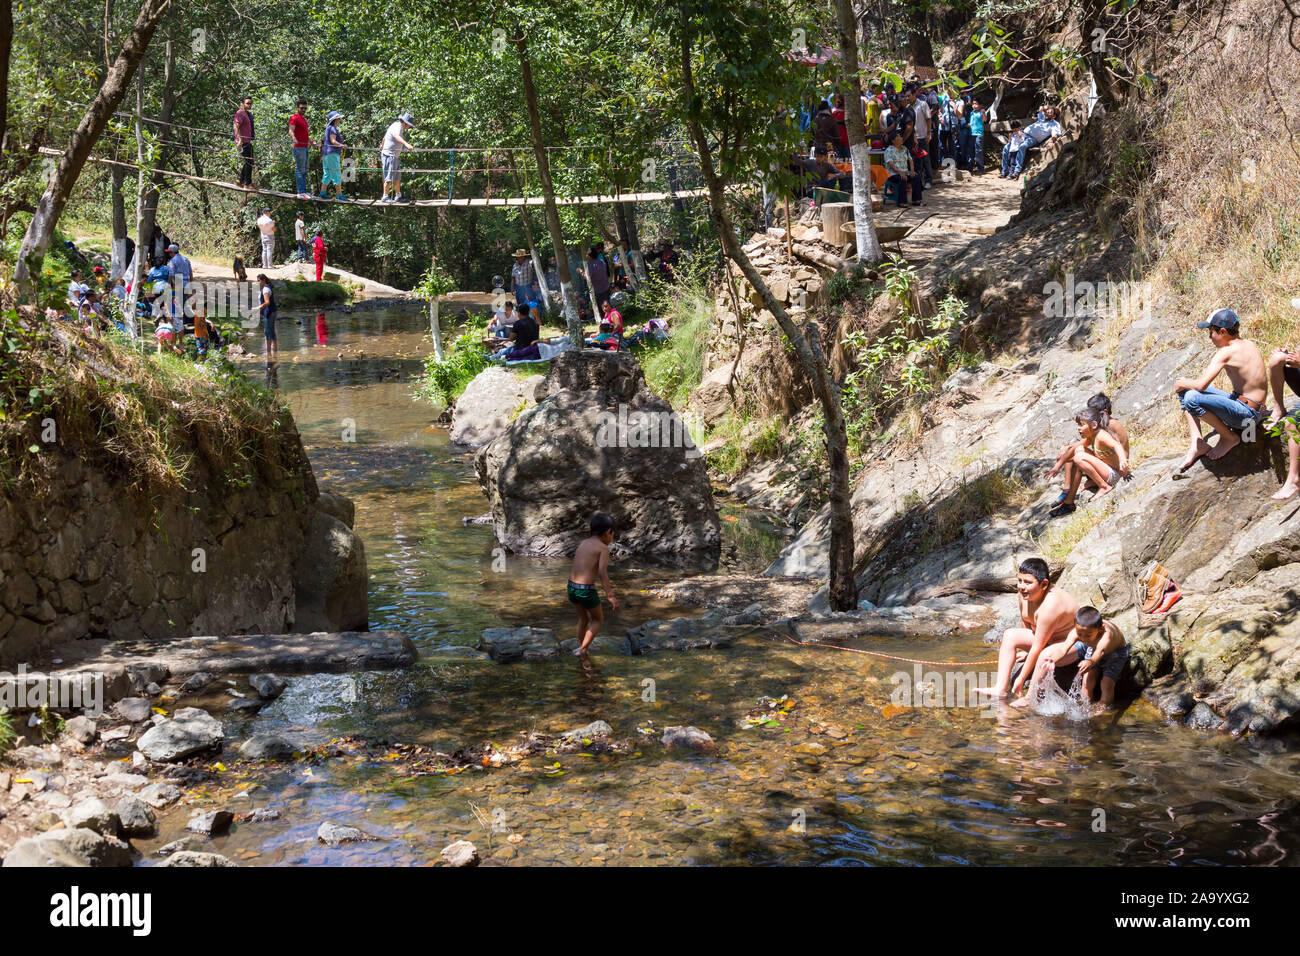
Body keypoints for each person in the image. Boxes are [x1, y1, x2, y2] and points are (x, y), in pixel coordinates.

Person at [974, 557, 1080, 699]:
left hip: (1070, 645)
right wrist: (1026, 651)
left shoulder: (1051, 605)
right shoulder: (1024, 594)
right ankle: (1000, 688)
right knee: (1010, 635)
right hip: (1047, 640)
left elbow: (1037, 647)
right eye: (1020, 580)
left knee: (1043, 655)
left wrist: (1021, 678)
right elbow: (1026, 622)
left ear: (1044, 584)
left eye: (1028, 582)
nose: (1021, 586)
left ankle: (1030, 698)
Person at [1175, 308, 1268, 470]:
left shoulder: (1226, 352)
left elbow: (1201, 385)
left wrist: (1181, 383)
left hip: (1247, 417)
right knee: (1187, 391)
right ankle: (1198, 443)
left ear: (1223, 331)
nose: (1210, 337)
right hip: (1251, 408)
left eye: (1211, 332)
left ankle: (1229, 437)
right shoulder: (1249, 344)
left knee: (1190, 396)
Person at [1028, 606, 1129, 708]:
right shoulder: (1077, 632)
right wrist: (1053, 659)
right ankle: (1085, 704)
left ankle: (1104, 705)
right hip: (1092, 649)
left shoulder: (1107, 635)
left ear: (1101, 629)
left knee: (1107, 683)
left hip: (1115, 653)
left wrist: (1090, 662)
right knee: (1087, 679)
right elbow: (1064, 649)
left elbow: (1100, 651)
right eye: (1079, 634)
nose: (1083, 638)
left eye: (1088, 635)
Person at [1046, 407, 1129, 517]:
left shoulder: (1101, 435)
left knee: (1079, 457)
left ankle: (1104, 487)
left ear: (1094, 425)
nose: (1078, 429)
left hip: (1113, 474)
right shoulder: (1092, 436)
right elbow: (1072, 449)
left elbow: (1116, 445)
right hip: (1106, 469)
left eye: (1081, 425)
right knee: (1077, 450)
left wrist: (1122, 459)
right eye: (1078, 425)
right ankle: (1069, 500)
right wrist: (1057, 466)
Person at [567, 512, 619, 656]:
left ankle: (580, 647)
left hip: (571, 587)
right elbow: (602, 572)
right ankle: (583, 650)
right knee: (597, 619)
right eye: (612, 534)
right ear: (608, 532)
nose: (612, 537)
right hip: (586, 590)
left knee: (583, 618)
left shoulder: (584, 543)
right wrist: (610, 595)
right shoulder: (603, 548)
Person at [380, 112, 416, 203]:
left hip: (394, 155)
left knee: (397, 178)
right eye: (409, 125)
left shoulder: (396, 125)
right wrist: (406, 144)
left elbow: (385, 136)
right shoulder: (398, 127)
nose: (408, 127)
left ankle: (398, 196)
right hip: (389, 155)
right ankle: (385, 196)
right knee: (389, 176)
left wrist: (382, 144)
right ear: (404, 122)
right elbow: (396, 136)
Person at [883, 131, 923, 207]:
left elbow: (910, 160)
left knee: (916, 177)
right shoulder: (889, 150)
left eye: (901, 136)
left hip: (905, 172)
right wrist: (900, 172)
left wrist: (912, 170)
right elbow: (890, 164)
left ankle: (916, 200)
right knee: (902, 178)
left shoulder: (905, 149)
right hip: (893, 174)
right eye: (898, 136)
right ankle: (902, 202)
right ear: (893, 140)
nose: (901, 138)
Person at [319, 111, 348, 201]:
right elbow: (333, 141)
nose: (339, 120)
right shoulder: (333, 128)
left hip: (325, 154)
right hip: (332, 154)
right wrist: (342, 145)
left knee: (327, 173)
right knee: (336, 173)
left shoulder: (328, 128)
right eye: (338, 119)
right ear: (335, 120)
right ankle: (339, 194)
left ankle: (322, 192)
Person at [288, 99, 311, 197]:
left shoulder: (304, 119)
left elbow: (306, 134)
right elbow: (290, 130)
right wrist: (293, 138)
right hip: (298, 147)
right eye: (302, 108)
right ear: (297, 107)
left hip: (305, 147)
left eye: (305, 108)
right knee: (300, 169)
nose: (304, 110)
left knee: (305, 169)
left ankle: (303, 191)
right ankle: (300, 192)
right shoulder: (294, 117)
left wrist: (312, 143)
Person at [254, 273, 278, 361]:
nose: (258, 282)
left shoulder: (265, 290)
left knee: (267, 331)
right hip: (273, 311)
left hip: (269, 312)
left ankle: (268, 353)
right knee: (272, 331)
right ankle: (275, 351)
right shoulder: (267, 287)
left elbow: (267, 302)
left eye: (259, 281)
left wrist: (257, 308)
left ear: (263, 280)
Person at [233, 95, 255, 189]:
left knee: (248, 161)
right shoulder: (240, 113)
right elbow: (236, 126)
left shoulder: (246, 113)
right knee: (249, 162)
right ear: (243, 104)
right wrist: (240, 139)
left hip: (247, 141)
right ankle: (248, 183)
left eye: (251, 104)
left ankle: (240, 180)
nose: (249, 105)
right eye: (247, 103)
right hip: (242, 141)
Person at [967, 98, 986, 173]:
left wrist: (983, 113)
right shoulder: (971, 112)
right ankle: (970, 168)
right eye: (973, 104)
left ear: (980, 105)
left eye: (976, 104)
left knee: (978, 151)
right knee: (971, 151)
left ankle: (980, 169)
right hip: (971, 133)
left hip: (979, 134)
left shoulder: (982, 111)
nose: (974, 106)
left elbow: (984, 120)